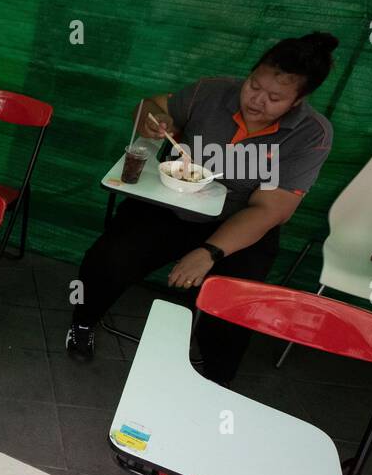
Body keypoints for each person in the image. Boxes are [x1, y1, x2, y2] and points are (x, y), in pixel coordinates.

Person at [66, 31, 339, 384]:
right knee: (111, 255)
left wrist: (208, 252)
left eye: (275, 97)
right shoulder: (210, 91)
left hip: (240, 224)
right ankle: (83, 321)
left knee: (232, 303)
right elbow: (151, 107)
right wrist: (153, 117)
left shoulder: (311, 135)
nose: (257, 100)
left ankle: (215, 381)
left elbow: (271, 210)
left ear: (299, 99)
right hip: (174, 204)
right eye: (254, 85)